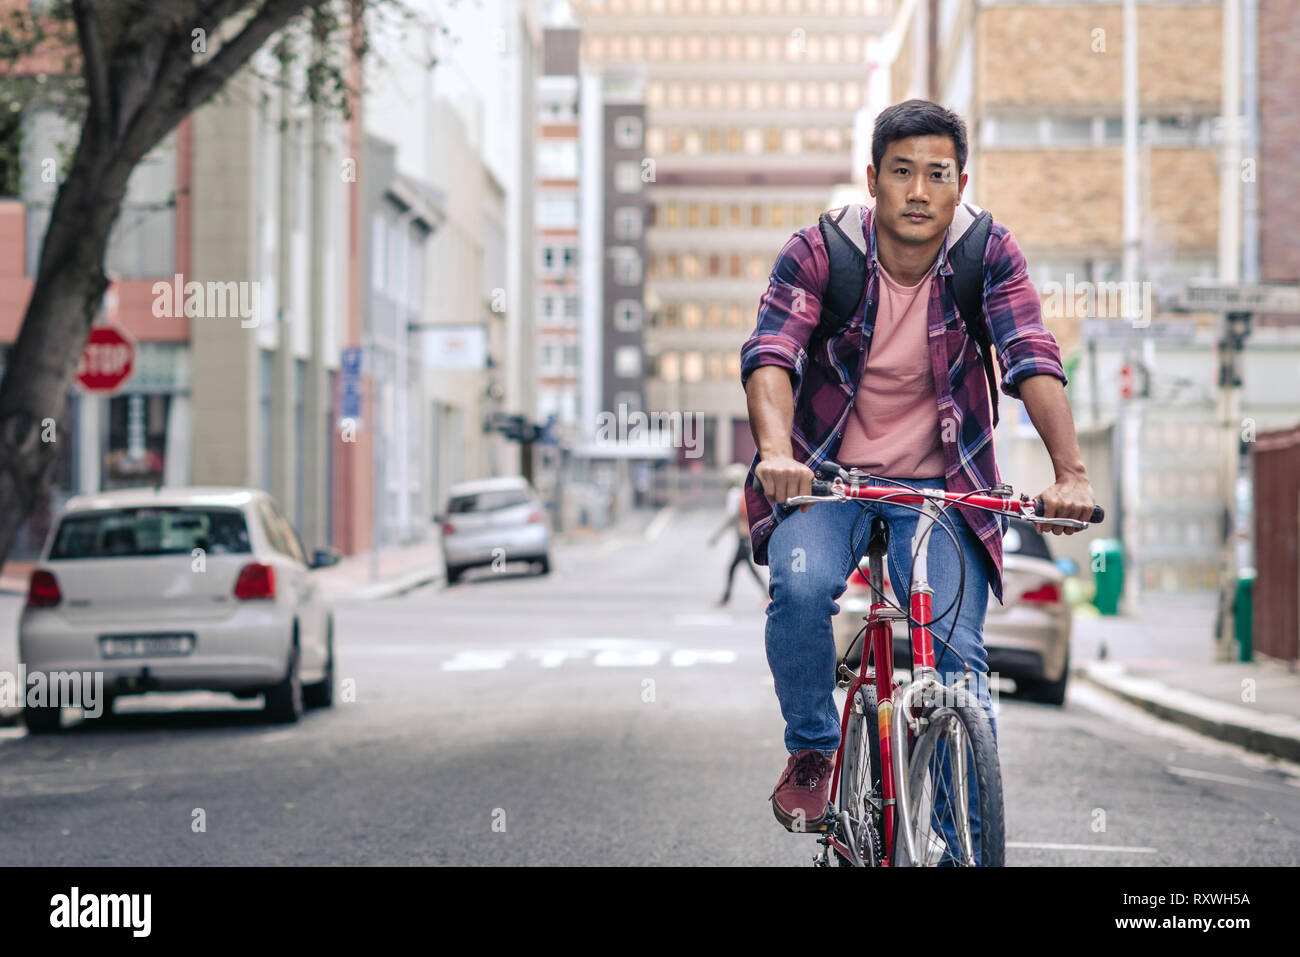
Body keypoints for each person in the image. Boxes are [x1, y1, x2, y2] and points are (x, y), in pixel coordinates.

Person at [739, 100, 1098, 840]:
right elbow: (772, 351)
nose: (919, 191)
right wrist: (777, 454)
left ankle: (957, 838)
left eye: (937, 175)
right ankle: (812, 748)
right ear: (873, 179)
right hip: (826, 479)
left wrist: (1072, 471)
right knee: (801, 586)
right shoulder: (819, 252)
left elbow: (1030, 350)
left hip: (940, 489)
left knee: (958, 655)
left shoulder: (986, 253)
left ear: (959, 182)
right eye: (901, 172)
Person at [709, 463, 766, 606]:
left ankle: (766, 595)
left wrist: (717, 536)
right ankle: (726, 597)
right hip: (745, 535)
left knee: (744, 568)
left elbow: (731, 516)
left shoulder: (735, 494)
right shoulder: (745, 492)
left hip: (743, 536)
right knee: (734, 568)